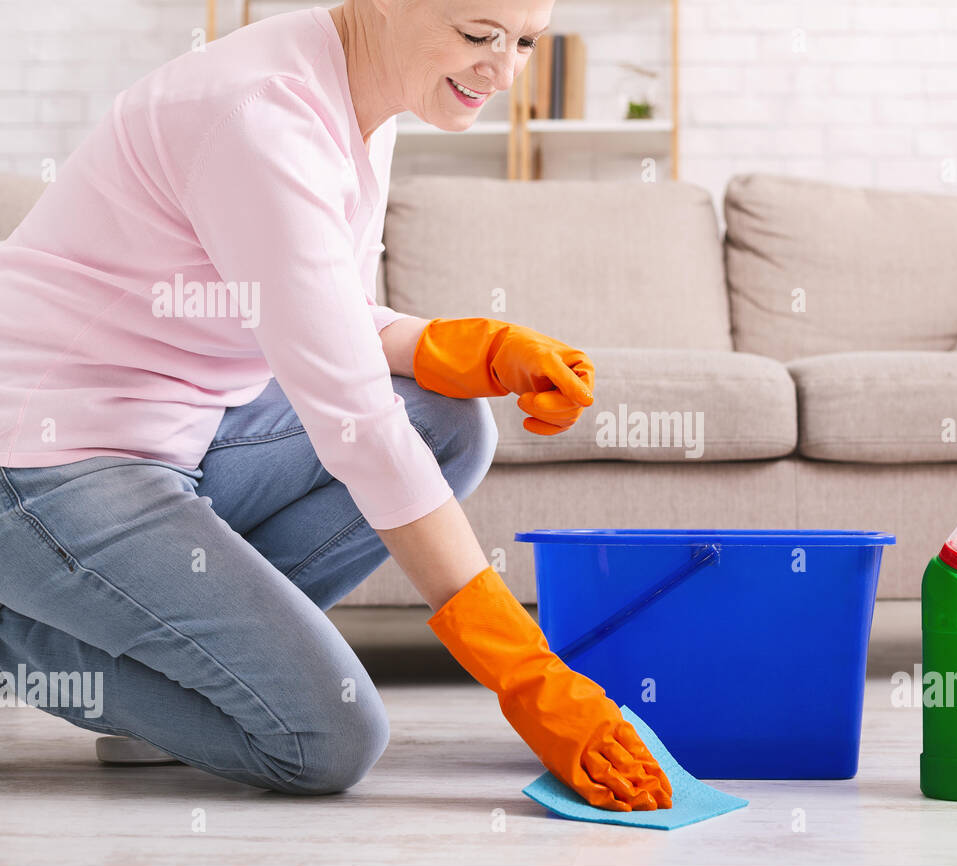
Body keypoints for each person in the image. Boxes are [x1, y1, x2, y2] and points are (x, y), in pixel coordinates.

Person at [0, 0, 671, 811]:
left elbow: (329, 314)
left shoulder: (361, 95)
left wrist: (474, 350)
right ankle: (29, 642)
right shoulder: (260, 115)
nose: (505, 71)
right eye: (477, 36)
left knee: (448, 421)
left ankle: (179, 684)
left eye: (527, 41)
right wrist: (528, 675)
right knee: (327, 739)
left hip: (182, 433)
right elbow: (356, 424)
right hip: (45, 458)